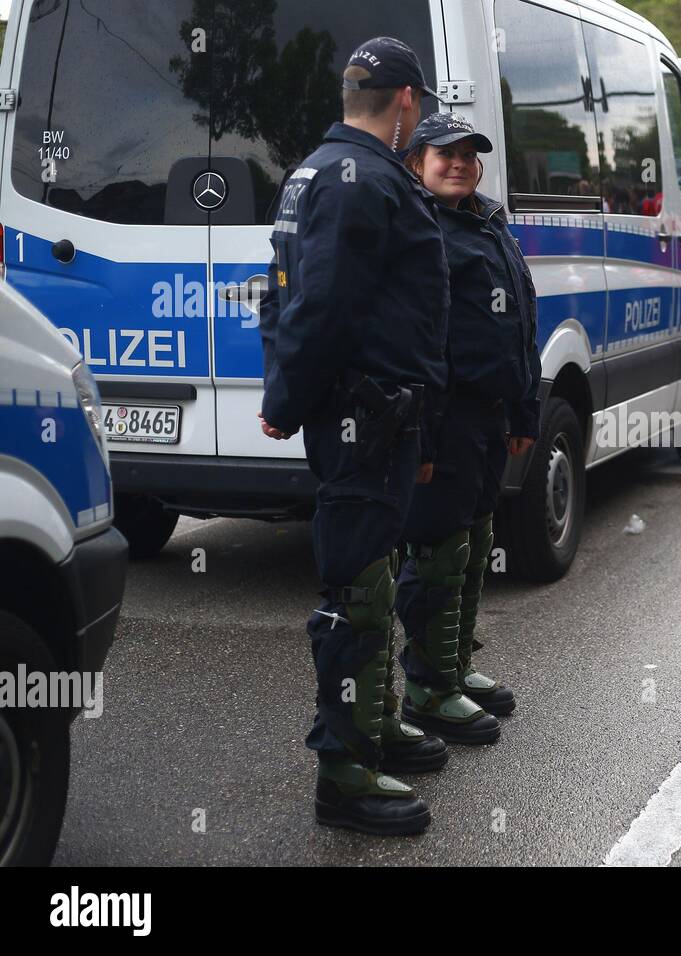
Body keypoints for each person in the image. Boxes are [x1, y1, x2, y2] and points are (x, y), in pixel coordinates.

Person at [258, 37, 451, 834]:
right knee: (357, 596)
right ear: (405, 100)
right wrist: (289, 395)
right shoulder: (359, 177)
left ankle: (373, 728)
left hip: (378, 417)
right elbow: (318, 307)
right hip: (360, 418)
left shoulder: (329, 170)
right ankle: (343, 773)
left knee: (377, 572)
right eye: (422, 108)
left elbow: (285, 294)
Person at [393, 113, 540, 745]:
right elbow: (413, 343)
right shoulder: (418, 229)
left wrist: (525, 409)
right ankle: (426, 688)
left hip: (489, 415)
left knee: (475, 544)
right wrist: (421, 437)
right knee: (438, 551)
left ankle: (453, 667)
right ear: (417, 163)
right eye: (443, 154)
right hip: (444, 417)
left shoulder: (488, 222)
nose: (458, 163)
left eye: (468, 155)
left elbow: (522, 322)